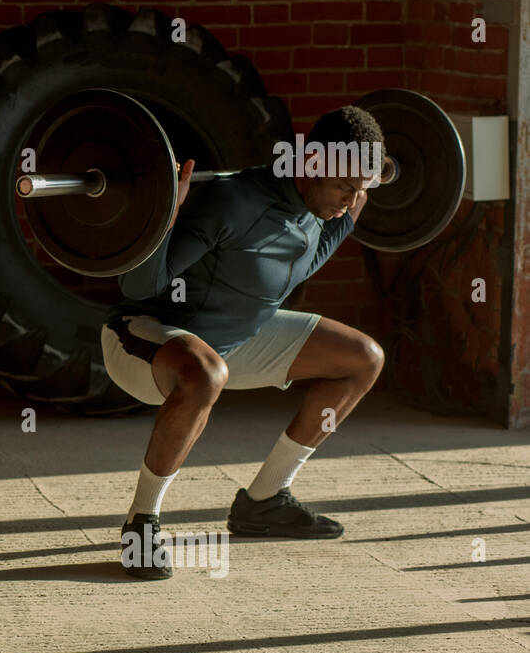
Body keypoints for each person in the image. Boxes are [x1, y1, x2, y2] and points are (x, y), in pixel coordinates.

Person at [101, 107, 387, 578]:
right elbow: (138, 288)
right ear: (311, 161)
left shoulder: (322, 210)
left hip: (236, 341)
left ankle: (265, 501)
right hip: (147, 334)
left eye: (365, 187)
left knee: (362, 359)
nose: (353, 198)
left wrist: (365, 179)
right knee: (206, 372)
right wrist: (162, 216)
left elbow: (339, 222)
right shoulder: (233, 203)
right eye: (346, 185)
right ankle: (142, 521)